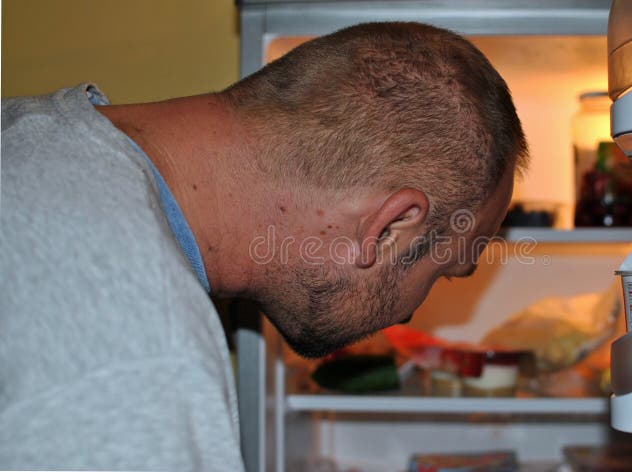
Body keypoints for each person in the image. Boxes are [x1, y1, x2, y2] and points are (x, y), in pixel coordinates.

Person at [0, 22, 527, 471]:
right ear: (389, 228)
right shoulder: (142, 347)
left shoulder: (35, 132)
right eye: (441, 272)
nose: (411, 312)